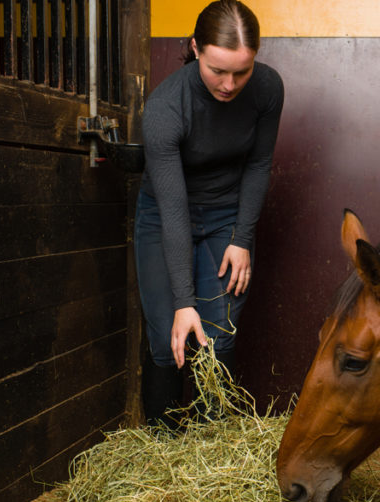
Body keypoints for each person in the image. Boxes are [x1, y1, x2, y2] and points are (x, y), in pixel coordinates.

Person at [135, 0, 284, 427]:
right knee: (169, 335)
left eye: (242, 71)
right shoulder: (166, 107)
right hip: (165, 216)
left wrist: (241, 237)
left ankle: (212, 444)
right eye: (218, 70)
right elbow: (174, 209)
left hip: (227, 215)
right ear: (195, 48)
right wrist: (184, 302)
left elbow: (259, 163)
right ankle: (161, 445)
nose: (229, 84)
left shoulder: (268, 88)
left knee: (219, 335)